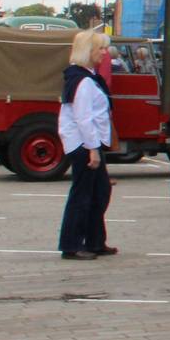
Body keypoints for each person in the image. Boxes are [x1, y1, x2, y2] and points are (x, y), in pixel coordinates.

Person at [56, 28, 114, 261]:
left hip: (86, 142)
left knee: (99, 192)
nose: (104, 52)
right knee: (82, 195)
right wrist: (93, 149)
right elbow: (83, 117)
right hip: (84, 144)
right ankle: (71, 244)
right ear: (88, 51)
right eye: (100, 48)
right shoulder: (84, 81)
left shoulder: (84, 77)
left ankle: (95, 240)